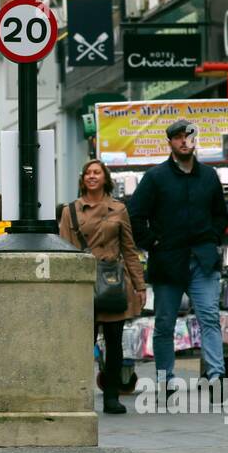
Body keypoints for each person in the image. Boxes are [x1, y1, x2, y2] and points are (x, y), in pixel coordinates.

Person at [128, 119, 228, 383]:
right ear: (170, 142)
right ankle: (165, 378)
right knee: (164, 324)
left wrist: (212, 238)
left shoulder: (209, 176)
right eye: (178, 137)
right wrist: (153, 243)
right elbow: (134, 216)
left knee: (210, 318)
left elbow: (221, 215)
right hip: (169, 262)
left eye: (189, 136)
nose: (184, 141)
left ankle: (216, 375)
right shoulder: (155, 177)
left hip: (202, 261)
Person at [59, 159, 146, 414]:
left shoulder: (118, 209)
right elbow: (64, 250)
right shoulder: (71, 211)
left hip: (112, 282)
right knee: (81, 343)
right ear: (82, 179)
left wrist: (140, 285)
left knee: (114, 341)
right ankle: (78, 395)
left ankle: (111, 396)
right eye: (88, 173)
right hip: (83, 284)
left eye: (97, 172)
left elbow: (129, 249)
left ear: (105, 178)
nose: (92, 176)